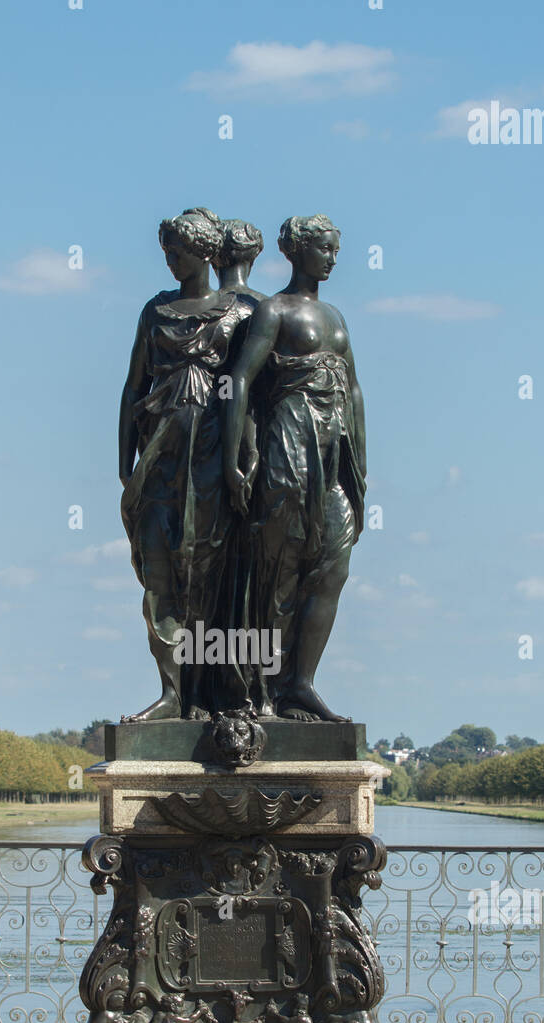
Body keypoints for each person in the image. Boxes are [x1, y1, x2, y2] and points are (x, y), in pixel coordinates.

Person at [222, 214, 366, 721]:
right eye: (324, 248)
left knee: (333, 567)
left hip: (334, 454)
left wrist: (359, 472)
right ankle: (259, 688)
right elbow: (240, 381)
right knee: (277, 571)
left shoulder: (337, 316)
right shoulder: (273, 310)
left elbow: (353, 391)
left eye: (335, 249)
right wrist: (237, 456)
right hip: (288, 444)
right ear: (297, 250)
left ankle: (300, 684)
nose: (331, 257)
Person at [118, 208, 255, 720]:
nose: (170, 262)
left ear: (201, 252)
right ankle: (172, 693)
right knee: (159, 572)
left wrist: (246, 461)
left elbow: (249, 395)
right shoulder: (155, 312)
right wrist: (124, 464)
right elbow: (133, 387)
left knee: (208, 572)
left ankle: (213, 690)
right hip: (159, 455)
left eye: (177, 253)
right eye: (167, 253)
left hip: (214, 456)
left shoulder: (239, 314)